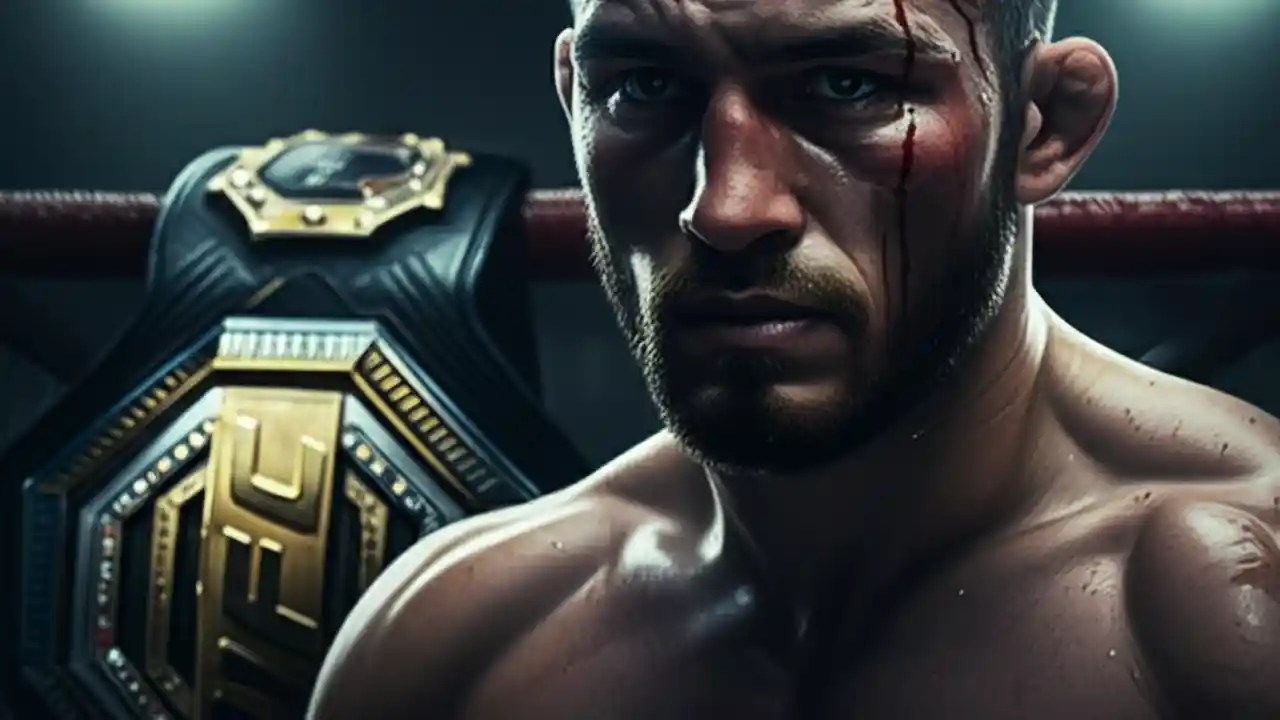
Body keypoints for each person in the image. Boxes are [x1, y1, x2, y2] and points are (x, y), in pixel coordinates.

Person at [309, 1, 1280, 717]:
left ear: (1042, 123)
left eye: (847, 85)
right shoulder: (456, 638)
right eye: (643, 86)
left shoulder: (1229, 606)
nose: (726, 209)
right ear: (574, 97)